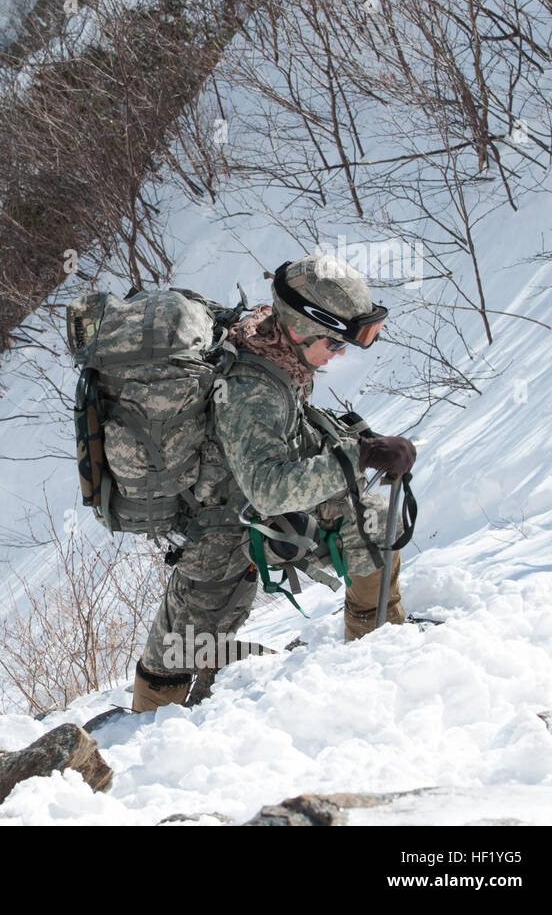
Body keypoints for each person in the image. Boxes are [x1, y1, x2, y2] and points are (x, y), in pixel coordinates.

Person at [132, 254, 417, 714]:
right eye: (335, 342)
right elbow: (268, 486)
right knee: (180, 652)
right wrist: (357, 456)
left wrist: (356, 441)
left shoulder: (281, 351)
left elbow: (288, 434)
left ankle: (380, 659)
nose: (340, 353)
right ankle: (142, 740)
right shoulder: (253, 386)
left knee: (371, 521)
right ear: (302, 328)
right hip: (221, 530)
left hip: (261, 509)